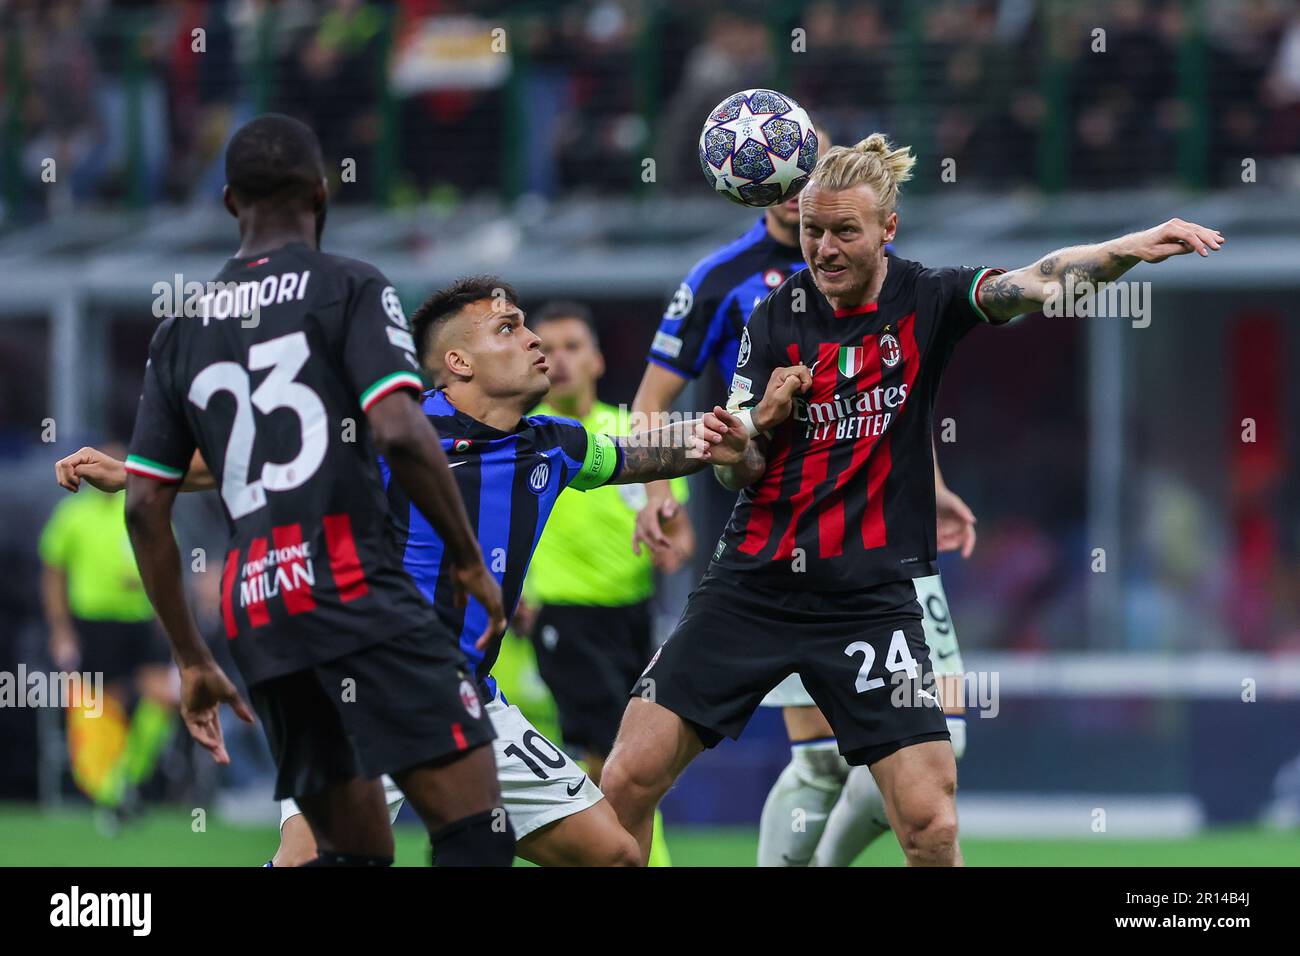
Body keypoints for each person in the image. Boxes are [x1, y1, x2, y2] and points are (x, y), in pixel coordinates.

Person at [599, 132, 1224, 866]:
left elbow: (1039, 282)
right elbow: (742, 469)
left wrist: (1132, 247)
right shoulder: (772, 318)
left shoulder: (927, 298)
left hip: (872, 595)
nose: (823, 249)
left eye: (843, 232)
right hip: (752, 585)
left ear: (887, 228)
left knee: (931, 828)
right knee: (626, 780)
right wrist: (749, 435)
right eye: (811, 231)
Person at [61, 275, 748, 867]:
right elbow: (258, 459)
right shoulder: (396, 430)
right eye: (510, 329)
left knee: (615, 853)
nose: (535, 340)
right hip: (365, 688)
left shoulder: (554, 444)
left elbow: (644, 453)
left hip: (471, 699)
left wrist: (735, 429)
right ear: (458, 362)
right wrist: (137, 474)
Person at [116, 113, 513, 866]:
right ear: (322, 192)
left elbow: (143, 505)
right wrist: (466, 559)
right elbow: (398, 428)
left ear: (230, 201)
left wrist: (191, 658)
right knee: (475, 830)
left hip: (260, 608)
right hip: (354, 585)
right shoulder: (350, 285)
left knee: (352, 854)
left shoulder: (181, 327)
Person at [520, 300, 692, 866]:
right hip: (563, 619)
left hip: (634, 620)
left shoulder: (628, 437)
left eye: (573, 346)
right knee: (608, 760)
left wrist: (674, 544)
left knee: (634, 767)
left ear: (596, 359)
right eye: (547, 349)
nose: (561, 360)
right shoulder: (524, 441)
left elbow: (680, 529)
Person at [39, 439, 176, 829]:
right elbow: (53, 573)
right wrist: (61, 631)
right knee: (102, 708)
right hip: (93, 625)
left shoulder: (141, 509)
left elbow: (167, 566)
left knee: (162, 697)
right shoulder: (72, 515)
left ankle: (125, 783)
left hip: (139, 622)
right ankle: (109, 793)